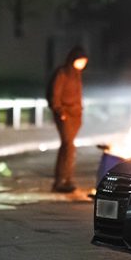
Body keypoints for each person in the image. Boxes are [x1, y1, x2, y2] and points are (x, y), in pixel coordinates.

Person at [48, 46, 88, 193]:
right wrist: (60, 111)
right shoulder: (62, 73)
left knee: (69, 147)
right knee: (68, 146)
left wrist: (80, 111)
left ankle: (67, 179)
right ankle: (60, 181)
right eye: (80, 61)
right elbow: (54, 94)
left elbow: (77, 94)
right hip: (65, 115)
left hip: (76, 115)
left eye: (84, 62)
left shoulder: (77, 74)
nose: (82, 64)